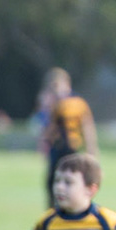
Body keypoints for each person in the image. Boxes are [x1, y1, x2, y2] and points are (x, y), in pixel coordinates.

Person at [37, 68, 97, 205]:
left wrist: (91, 148)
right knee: (52, 179)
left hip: (72, 147)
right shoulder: (51, 103)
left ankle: (75, 205)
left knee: (73, 178)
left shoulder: (77, 103)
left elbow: (87, 126)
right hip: (56, 147)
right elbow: (46, 127)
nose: (55, 90)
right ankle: (53, 209)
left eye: (56, 85)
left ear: (66, 84)